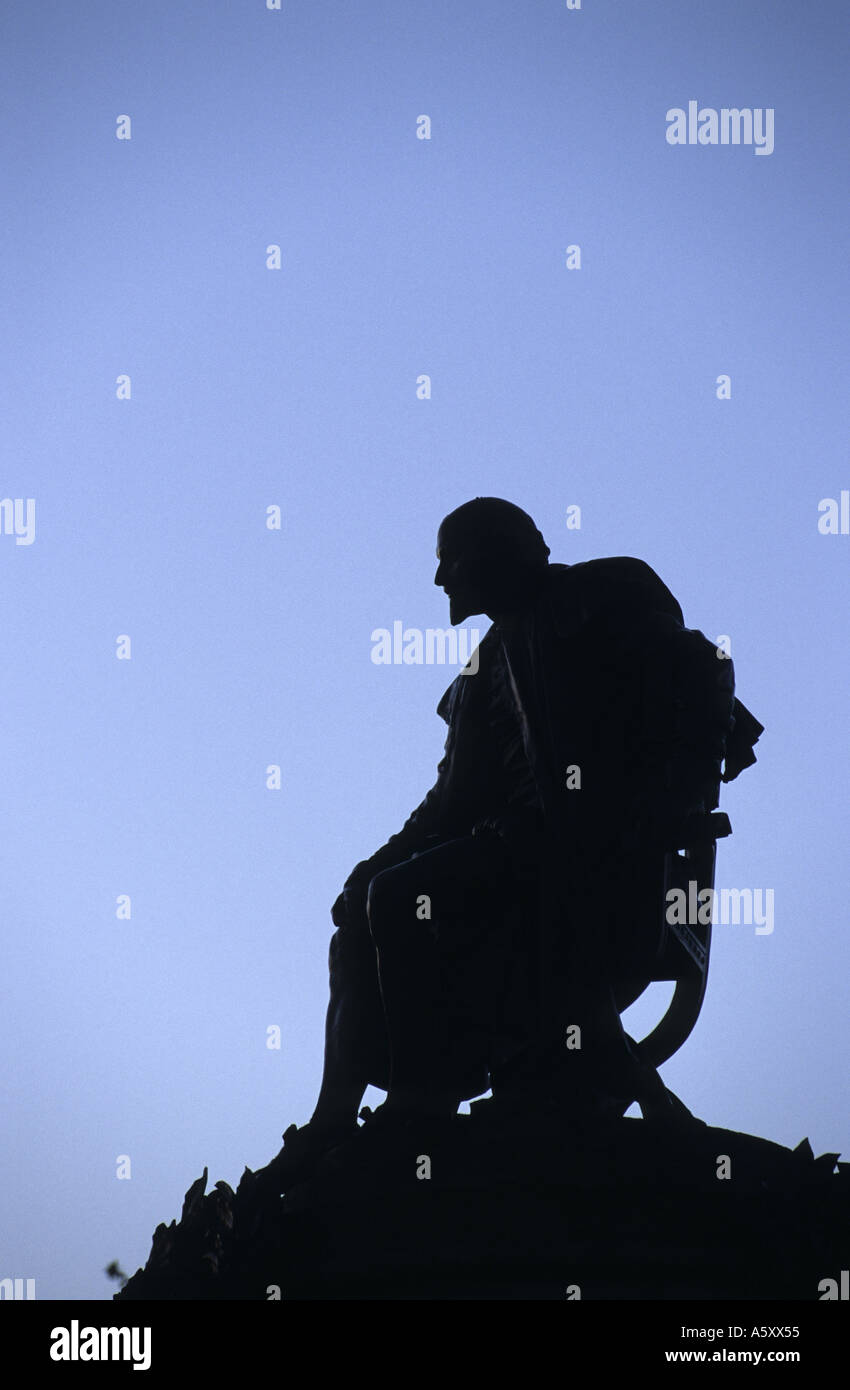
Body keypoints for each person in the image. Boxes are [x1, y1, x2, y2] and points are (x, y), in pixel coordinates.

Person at [262, 498, 761, 1189]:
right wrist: (373, 865)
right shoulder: (480, 670)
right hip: (512, 853)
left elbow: (696, 681)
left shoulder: (603, 595)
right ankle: (333, 1121)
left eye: (453, 561)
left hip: (599, 855)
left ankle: (422, 1103)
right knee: (363, 910)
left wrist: (663, 798)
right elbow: (451, 799)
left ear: (506, 552)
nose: (442, 582)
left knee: (406, 898)